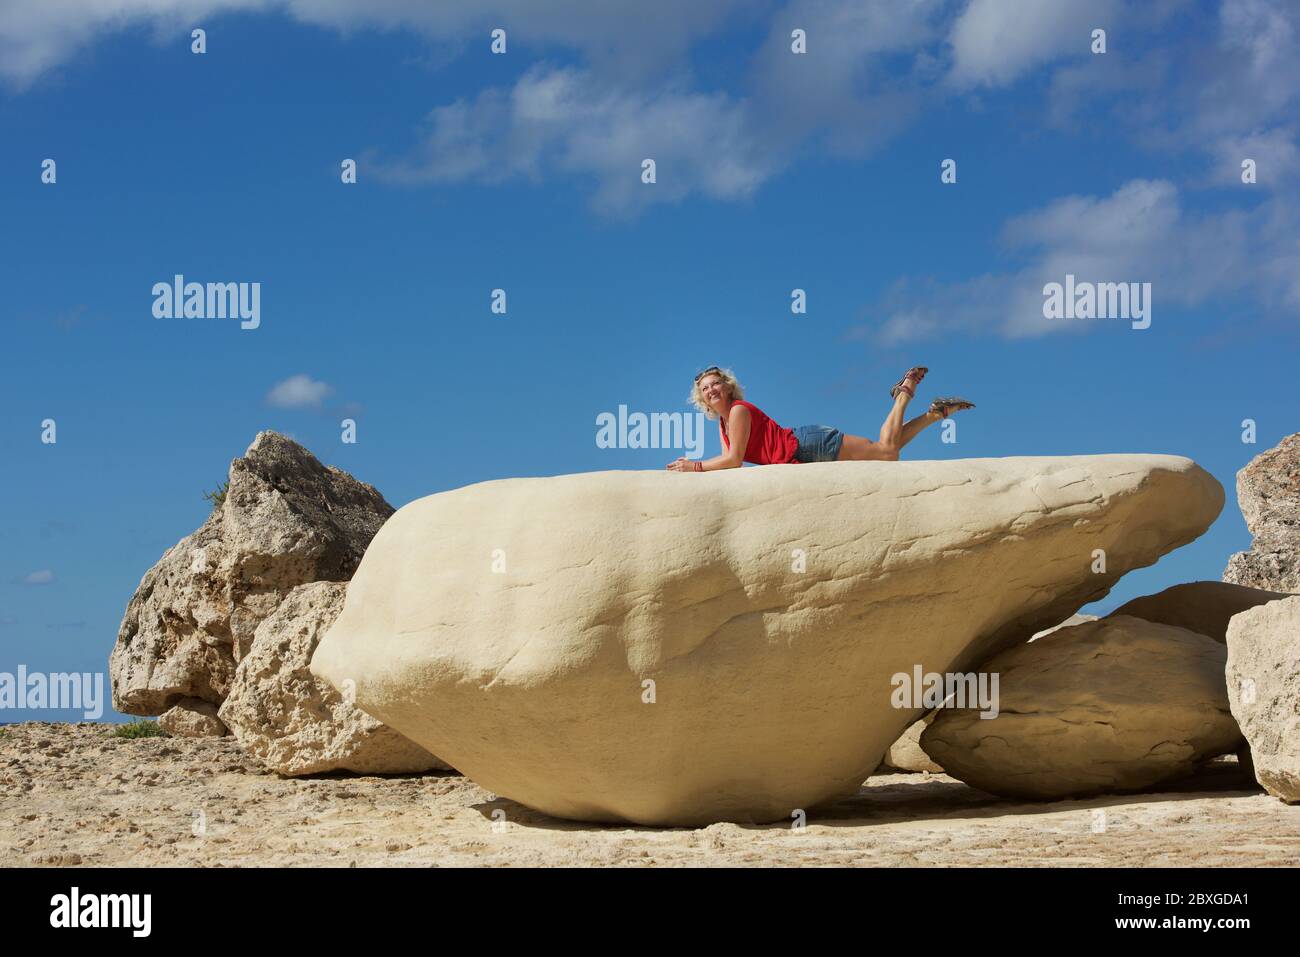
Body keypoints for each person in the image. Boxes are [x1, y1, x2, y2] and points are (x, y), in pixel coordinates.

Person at [666, 365, 973, 472]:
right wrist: (699, 467)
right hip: (802, 448)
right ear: (702, 398)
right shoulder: (725, 423)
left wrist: (692, 466)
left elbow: (733, 461)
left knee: (886, 453)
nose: (711, 390)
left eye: (715, 384)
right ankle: (936, 414)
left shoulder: (738, 411)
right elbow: (727, 459)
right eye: (705, 389)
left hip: (805, 445)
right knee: (885, 451)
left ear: (728, 386)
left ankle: (904, 393)